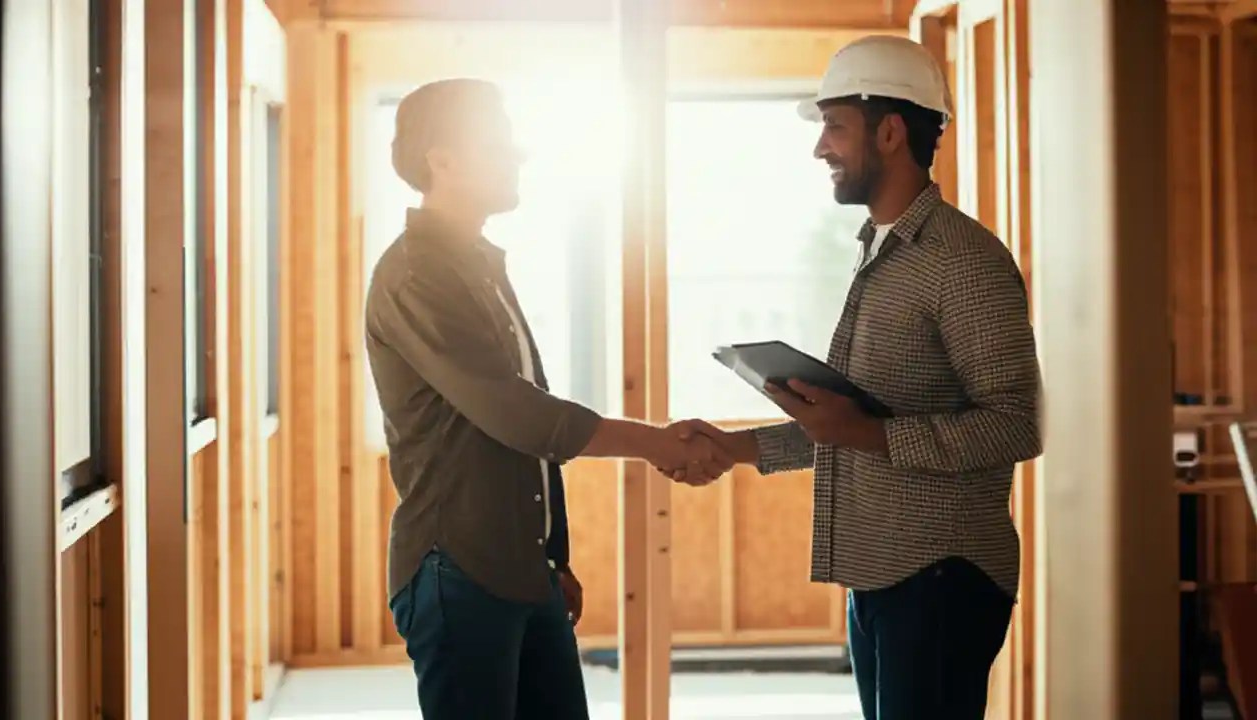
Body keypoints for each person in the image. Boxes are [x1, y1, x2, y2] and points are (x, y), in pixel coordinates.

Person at [686, 36, 1043, 719]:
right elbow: (852, 423)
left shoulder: (962, 260)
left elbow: (1016, 424)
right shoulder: (880, 251)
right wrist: (735, 449)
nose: (820, 148)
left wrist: (864, 431)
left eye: (834, 126)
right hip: (880, 579)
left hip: (941, 580)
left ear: (889, 131)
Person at [364, 78, 729, 719]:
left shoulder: (476, 264)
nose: (518, 154)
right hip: (458, 569)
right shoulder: (418, 275)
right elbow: (519, 415)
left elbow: (524, 433)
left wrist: (550, 557)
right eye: (498, 141)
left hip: (522, 571)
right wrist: (654, 442)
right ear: (441, 159)